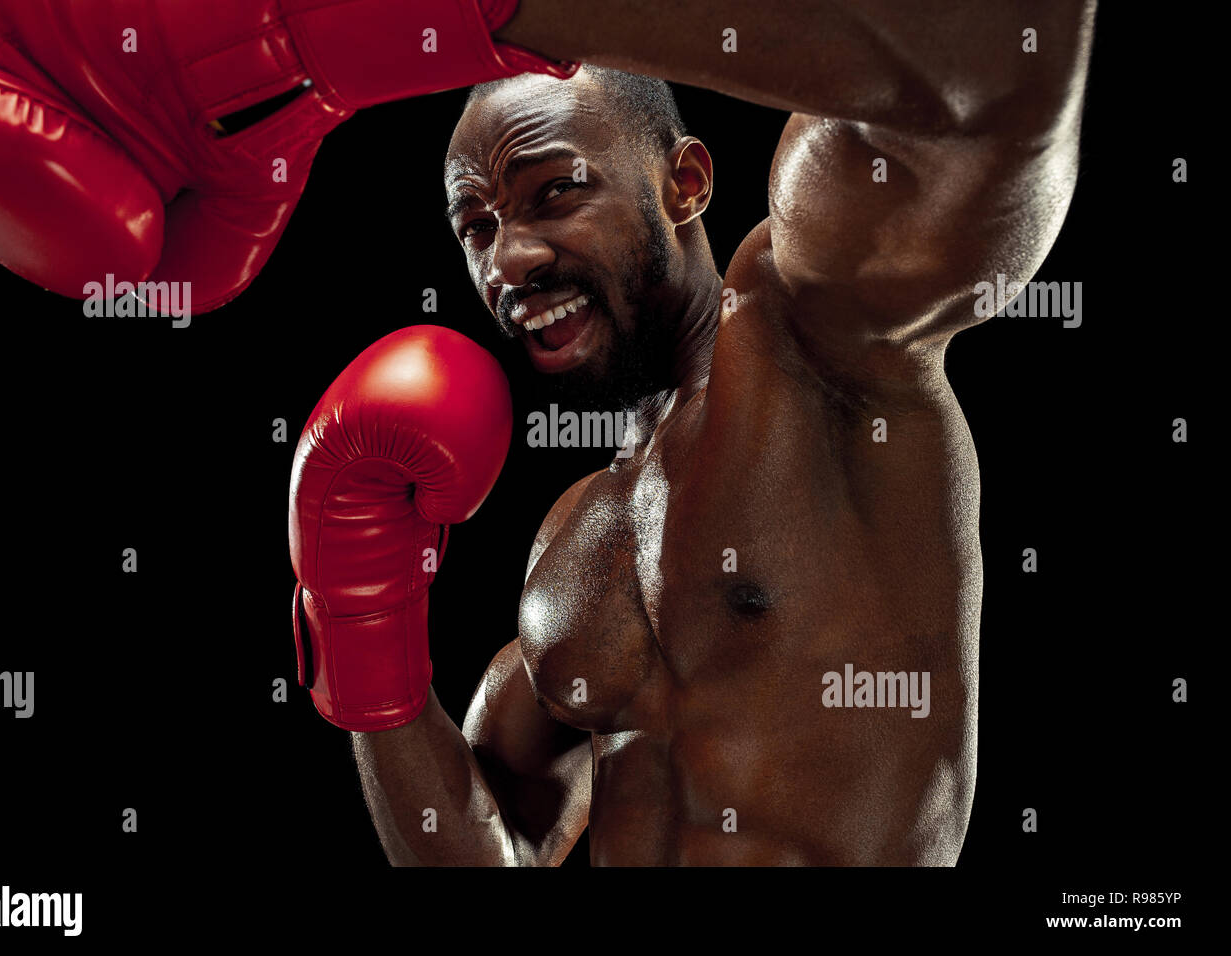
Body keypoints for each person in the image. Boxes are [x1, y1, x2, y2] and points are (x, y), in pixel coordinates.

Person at [302, 0, 1095, 866]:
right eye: (477, 228)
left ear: (686, 183)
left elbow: (995, 70)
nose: (509, 260)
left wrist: (516, 13)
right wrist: (358, 631)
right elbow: (489, 852)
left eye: (555, 191)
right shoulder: (571, 537)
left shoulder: (822, 339)